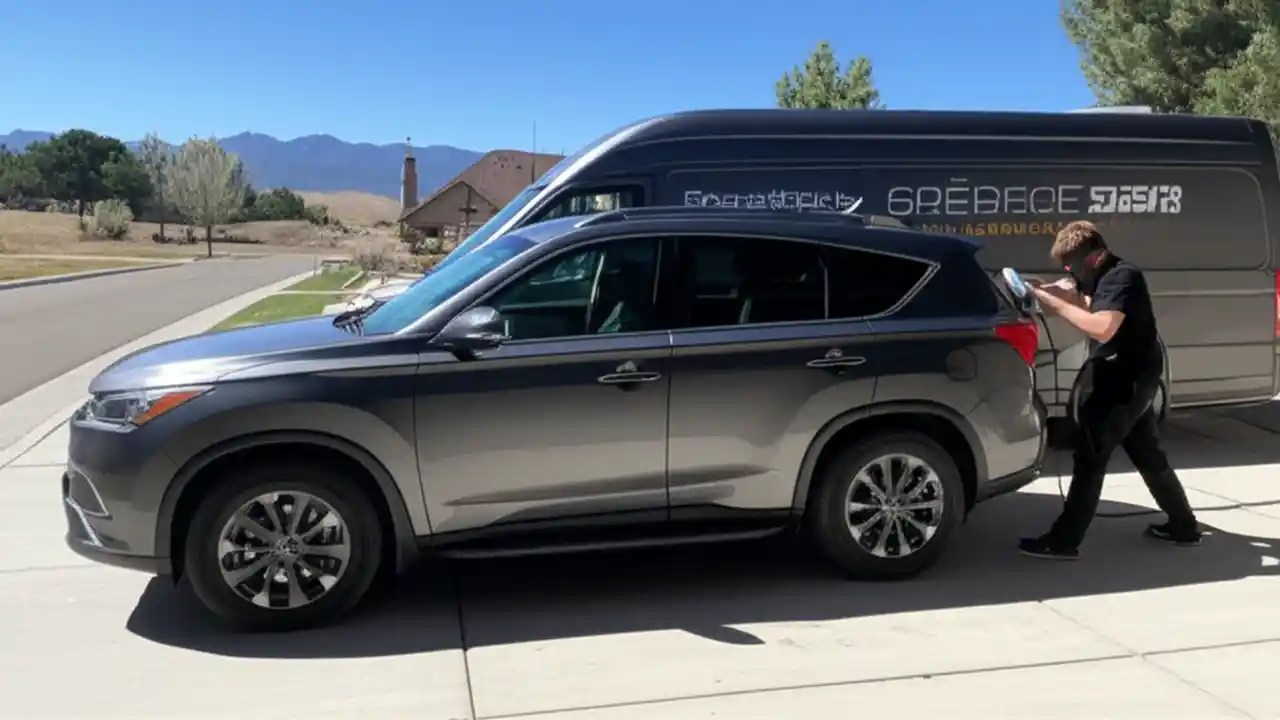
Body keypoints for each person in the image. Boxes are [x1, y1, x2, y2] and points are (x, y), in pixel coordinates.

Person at [1019, 220, 1201, 560]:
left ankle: (1064, 541)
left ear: (1093, 257)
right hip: (1133, 376)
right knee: (1147, 453)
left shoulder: (1122, 276)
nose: (1070, 273)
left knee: (1090, 455)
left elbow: (1103, 328)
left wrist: (1051, 301)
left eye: (1071, 267)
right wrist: (1058, 291)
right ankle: (1184, 526)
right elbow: (1094, 305)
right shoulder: (1106, 277)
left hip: (1125, 383)